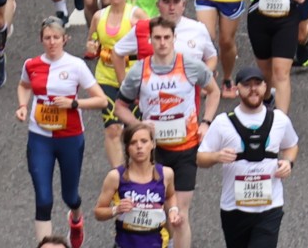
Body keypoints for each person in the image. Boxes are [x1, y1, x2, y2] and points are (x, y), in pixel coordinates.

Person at [117, 17, 218, 248]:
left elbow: (214, 91)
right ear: (150, 40)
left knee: (179, 215)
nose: (162, 43)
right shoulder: (139, 71)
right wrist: (139, 126)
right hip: (153, 152)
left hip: (185, 148)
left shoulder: (191, 65)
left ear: (174, 39)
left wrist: (206, 123)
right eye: (157, 38)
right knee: (159, 211)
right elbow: (120, 106)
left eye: (167, 37)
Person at [20, 15, 108, 244]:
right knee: (43, 199)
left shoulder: (76, 65)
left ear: (65, 39)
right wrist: (22, 105)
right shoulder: (31, 65)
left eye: (56, 37)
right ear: (41, 40)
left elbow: (102, 101)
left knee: (70, 196)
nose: (51, 42)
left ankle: (76, 219)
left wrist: (74, 103)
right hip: (40, 137)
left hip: (70, 137)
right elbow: (24, 85)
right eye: (47, 38)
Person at [195, 65, 299, 248]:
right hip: (234, 208)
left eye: (258, 84)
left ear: (265, 87)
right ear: (236, 89)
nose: (253, 89)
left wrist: (289, 162)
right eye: (247, 84)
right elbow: (200, 158)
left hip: (270, 207)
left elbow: (291, 145)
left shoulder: (279, 120)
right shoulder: (222, 122)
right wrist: (217, 156)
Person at [96, 123, 175, 248]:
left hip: (158, 243)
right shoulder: (115, 177)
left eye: (144, 141)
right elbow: (98, 212)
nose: (139, 146)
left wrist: (173, 210)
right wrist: (116, 209)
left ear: (153, 144)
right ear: (127, 148)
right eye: (133, 143)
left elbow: (170, 196)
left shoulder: (166, 174)